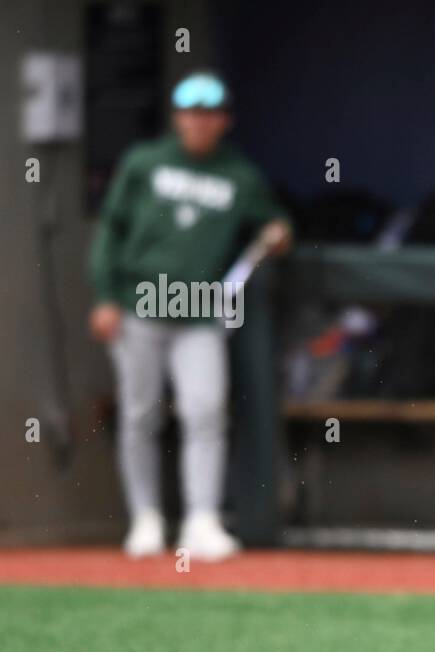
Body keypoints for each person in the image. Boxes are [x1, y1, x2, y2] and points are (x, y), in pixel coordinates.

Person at [88, 72, 292, 560]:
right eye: (191, 113)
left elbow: (273, 223)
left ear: (224, 120)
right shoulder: (145, 163)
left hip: (199, 312)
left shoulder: (239, 174)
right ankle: (145, 518)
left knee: (204, 412)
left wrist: (279, 232)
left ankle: (201, 519)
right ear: (178, 117)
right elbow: (110, 230)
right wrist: (105, 295)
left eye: (209, 114)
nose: (199, 123)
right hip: (141, 304)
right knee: (140, 414)